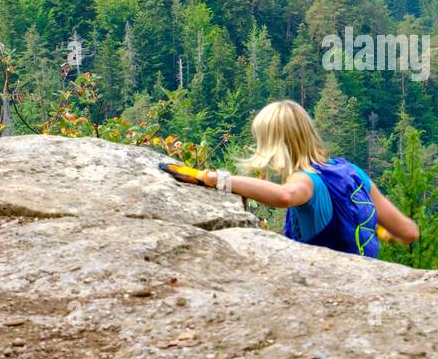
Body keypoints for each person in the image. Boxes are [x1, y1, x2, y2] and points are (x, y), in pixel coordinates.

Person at [159, 100, 419, 258]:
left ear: (274, 144)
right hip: (369, 279)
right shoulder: (353, 171)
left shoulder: (306, 180)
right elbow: (409, 231)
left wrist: (212, 178)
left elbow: (285, 196)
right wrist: (378, 231)